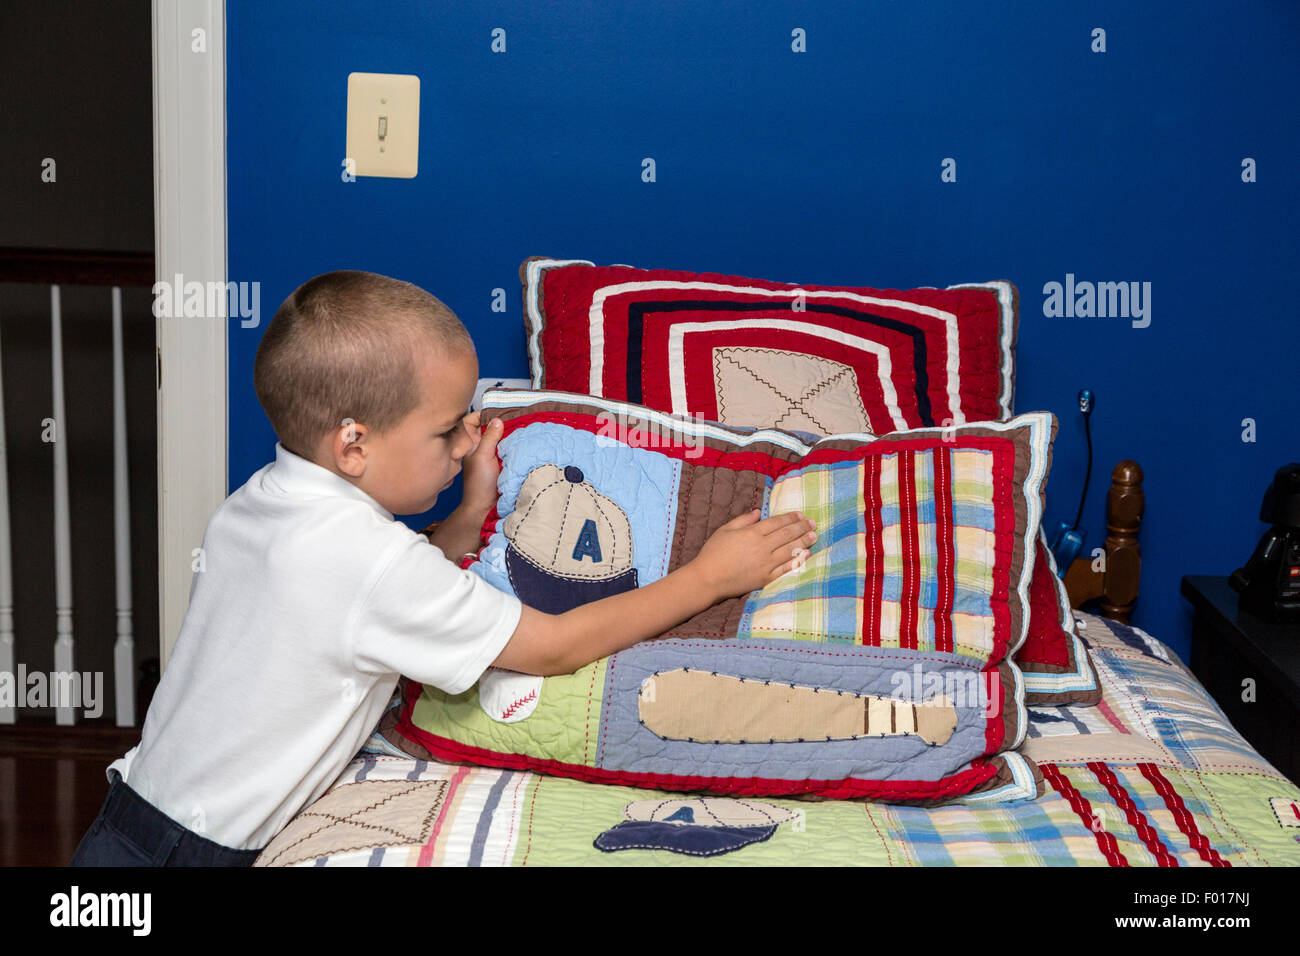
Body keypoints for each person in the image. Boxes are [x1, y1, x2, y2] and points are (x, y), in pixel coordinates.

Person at [69, 270, 817, 866]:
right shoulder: (367, 560)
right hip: (196, 852)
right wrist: (708, 578)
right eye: (445, 428)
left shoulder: (259, 507)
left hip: (129, 816)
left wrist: (466, 514)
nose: (465, 442)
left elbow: (368, 597)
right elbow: (550, 645)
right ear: (353, 446)